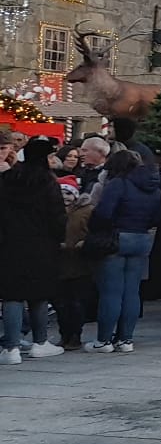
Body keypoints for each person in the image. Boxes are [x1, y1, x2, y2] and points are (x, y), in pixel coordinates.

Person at [84, 150, 159, 353]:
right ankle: (125, 339)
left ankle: (104, 340)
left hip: (116, 238)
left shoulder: (118, 183)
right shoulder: (153, 186)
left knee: (111, 291)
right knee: (132, 291)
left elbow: (103, 213)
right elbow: (156, 216)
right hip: (142, 238)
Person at [0, 137, 67, 363]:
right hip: (42, 245)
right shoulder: (48, 182)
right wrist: (60, 238)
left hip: (9, 244)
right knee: (39, 295)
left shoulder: (7, 178)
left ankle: (11, 348)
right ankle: (40, 342)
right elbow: (57, 218)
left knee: (12, 296)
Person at [52, 176, 93, 350]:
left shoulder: (86, 211)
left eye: (68, 193)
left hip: (79, 263)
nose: (65, 197)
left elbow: (94, 232)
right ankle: (64, 334)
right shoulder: (53, 211)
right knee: (60, 303)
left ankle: (75, 334)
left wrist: (85, 243)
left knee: (76, 302)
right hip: (58, 263)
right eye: (61, 193)